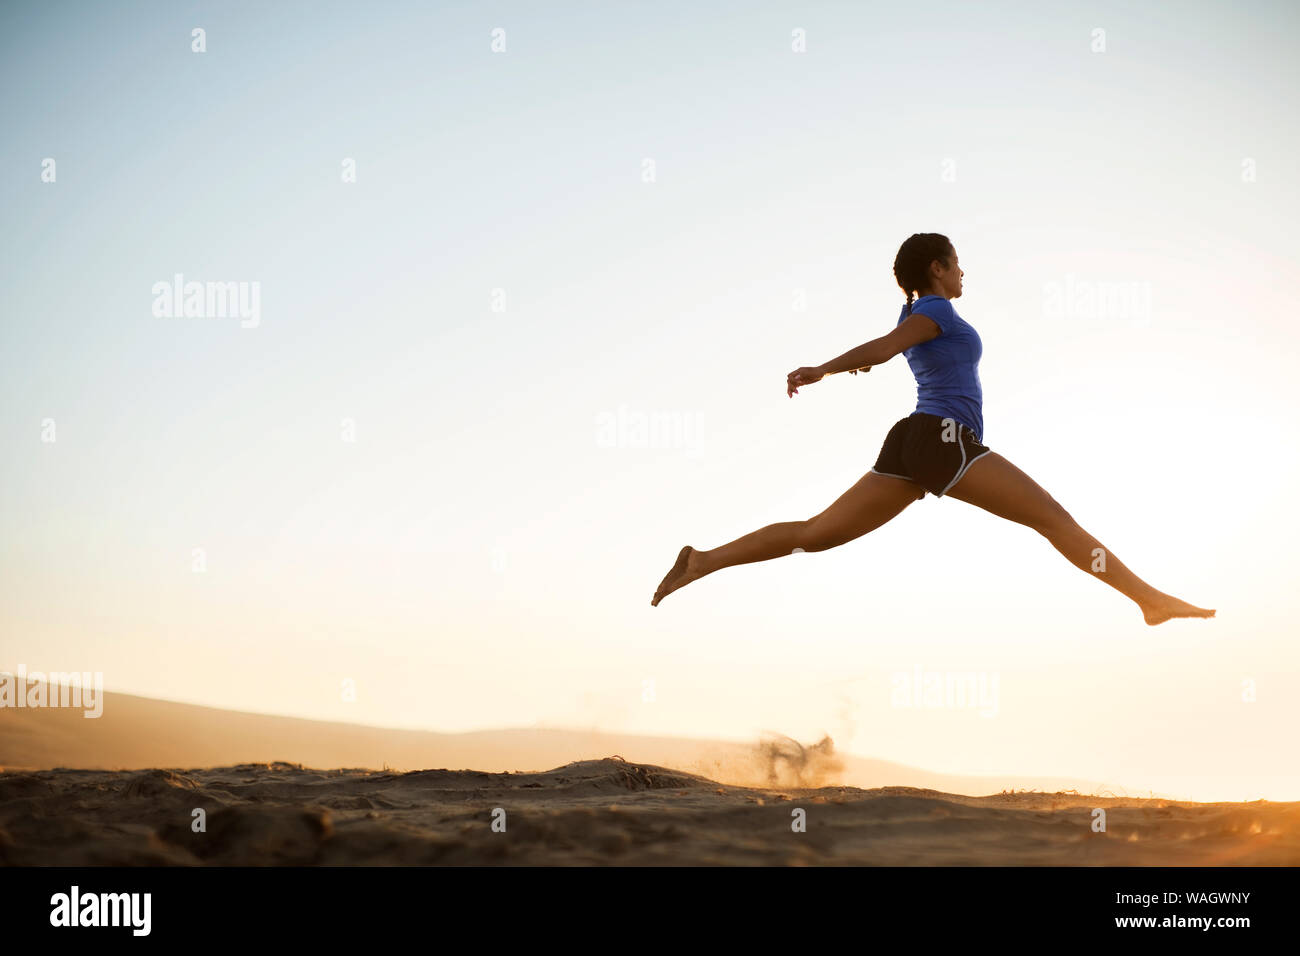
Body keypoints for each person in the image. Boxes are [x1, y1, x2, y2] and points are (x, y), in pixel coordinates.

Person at [650, 233, 1215, 626]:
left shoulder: (917, 315)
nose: (964, 270)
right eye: (957, 261)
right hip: (944, 438)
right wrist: (824, 368)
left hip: (916, 441)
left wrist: (840, 365)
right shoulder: (937, 312)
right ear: (938, 269)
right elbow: (884, 348)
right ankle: (1149, 600)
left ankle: (705, 560)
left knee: (815, 533)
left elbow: (883, 349)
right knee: (1053, 519)